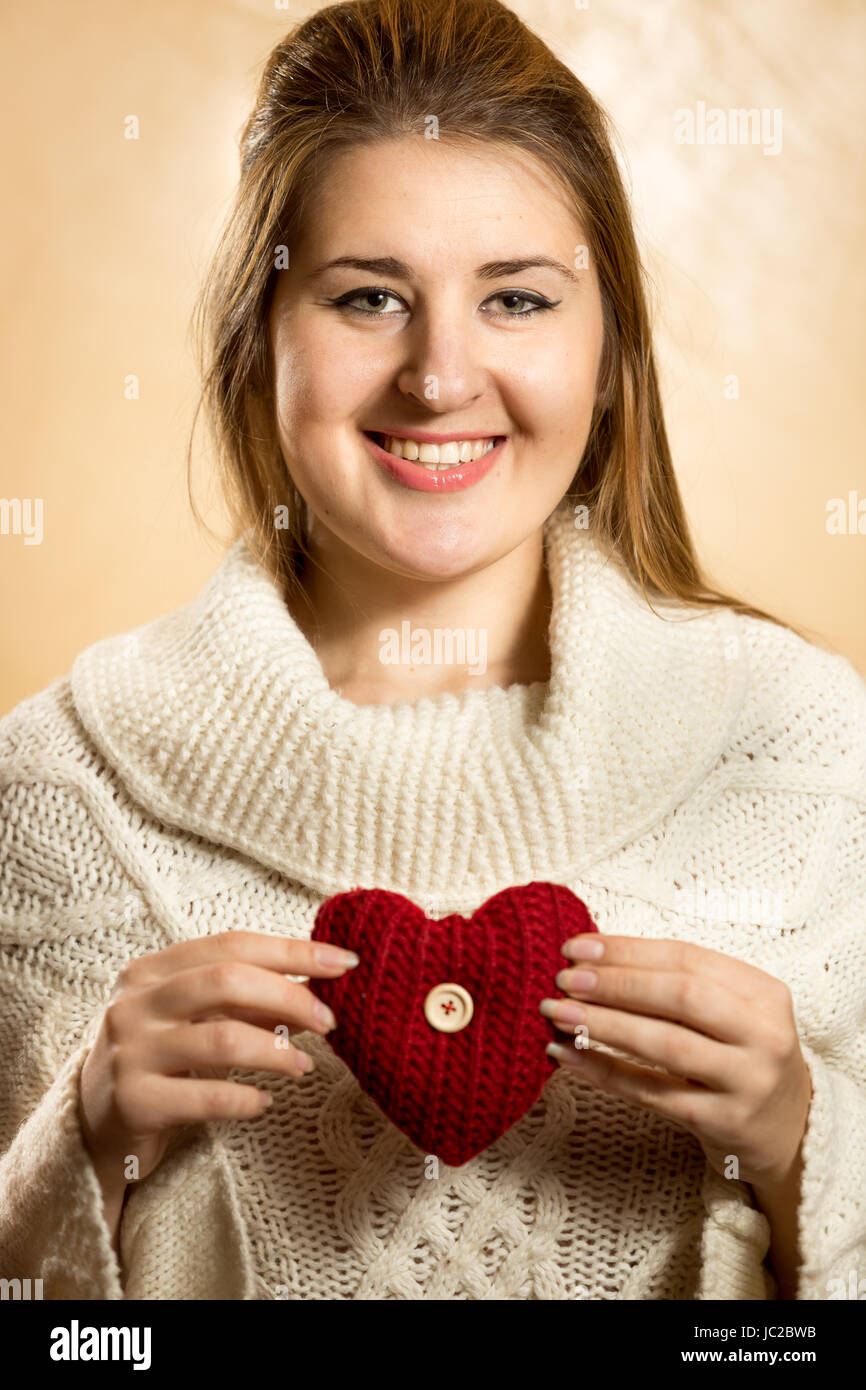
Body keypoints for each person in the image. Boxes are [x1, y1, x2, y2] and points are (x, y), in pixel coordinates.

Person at [1, 0, 864, 1301]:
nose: (440, 374)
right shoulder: (51, 795)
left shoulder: (804, 749)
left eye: (515, 297)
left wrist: (807, 1146)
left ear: (612, 350)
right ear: (258, 345)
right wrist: (76, 1148)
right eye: (367, 298)